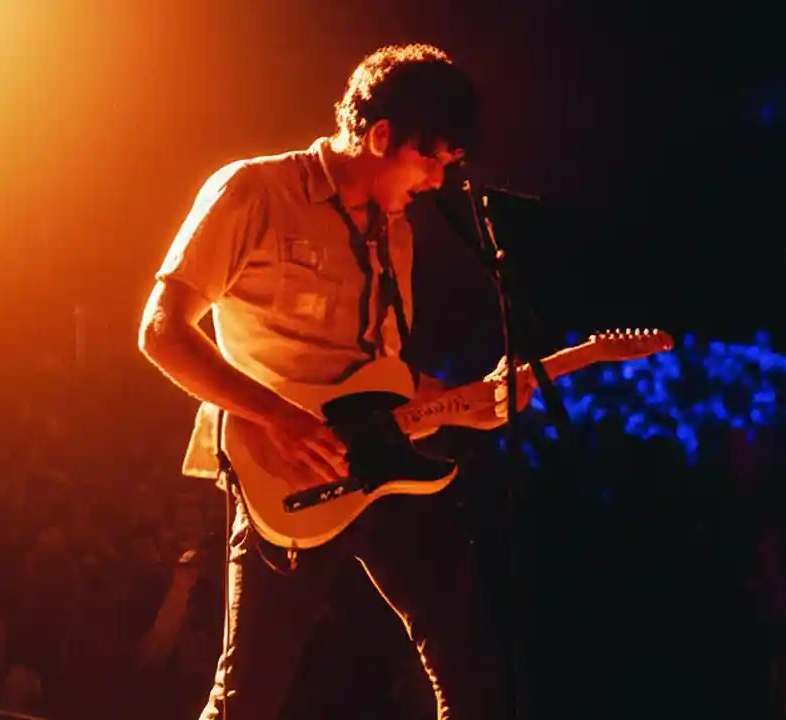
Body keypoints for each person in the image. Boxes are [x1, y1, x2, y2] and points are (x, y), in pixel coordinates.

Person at [137, 43, 532, 719]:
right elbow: (161, 333)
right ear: (381, 136)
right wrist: (280, 419)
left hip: (382, 467)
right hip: (283, 476)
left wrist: (466, 405)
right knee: (249, 696)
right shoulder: (252, 190)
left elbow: (383, 379)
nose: (438, 180)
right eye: (430, 158)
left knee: (469, 659)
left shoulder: (397, 229)